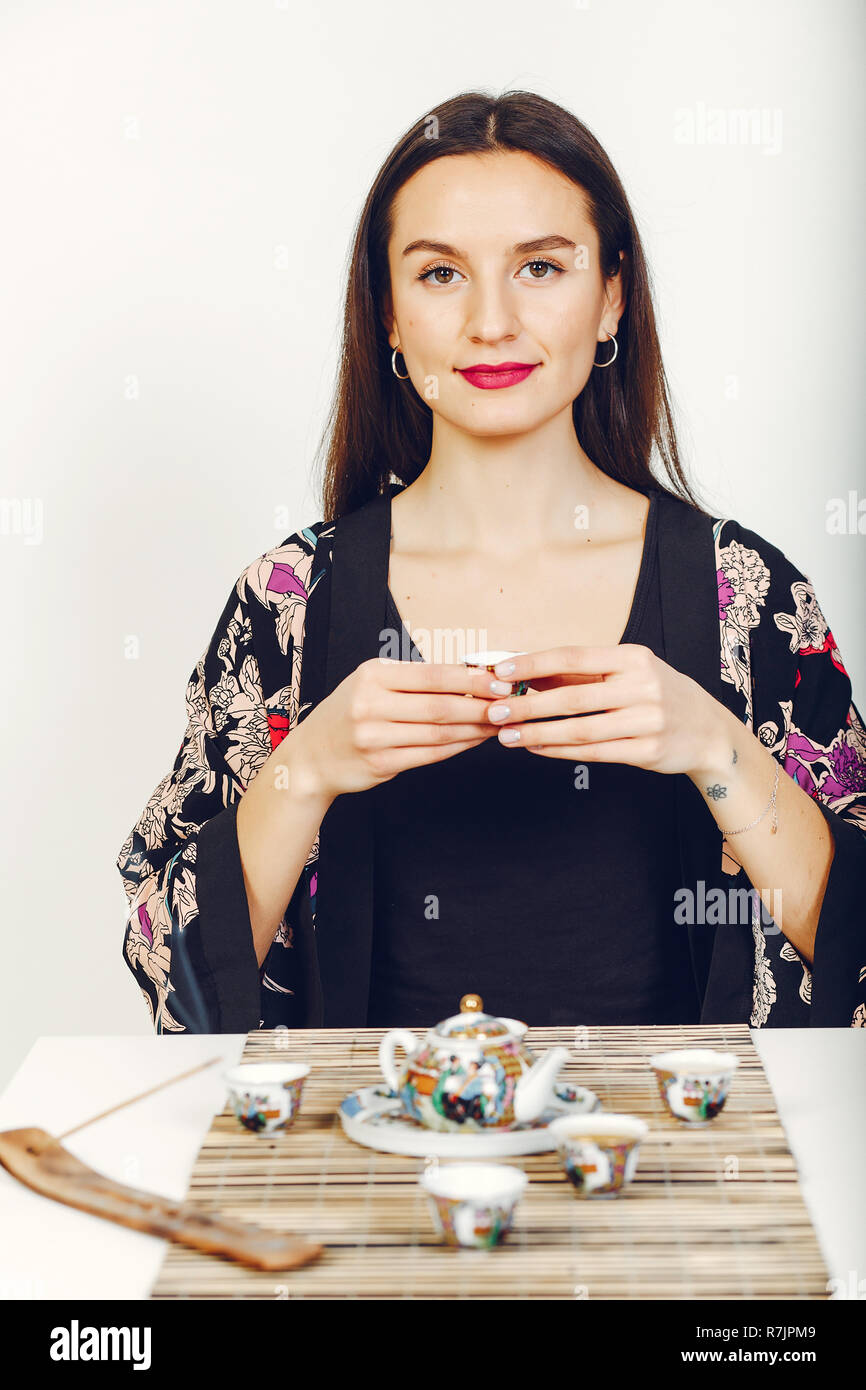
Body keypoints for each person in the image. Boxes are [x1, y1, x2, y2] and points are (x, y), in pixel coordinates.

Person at [117, 90, 866, 1035]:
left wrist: (718, 748)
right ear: (387, 315)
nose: (492, 321)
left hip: (670, 1170)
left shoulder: (744, 592)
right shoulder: (288, 606)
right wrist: (305, 767)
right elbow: (169, 965)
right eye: (439, 275)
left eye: (541, 266)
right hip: (371, 1168)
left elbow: (855, 948)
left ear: (612, 299)